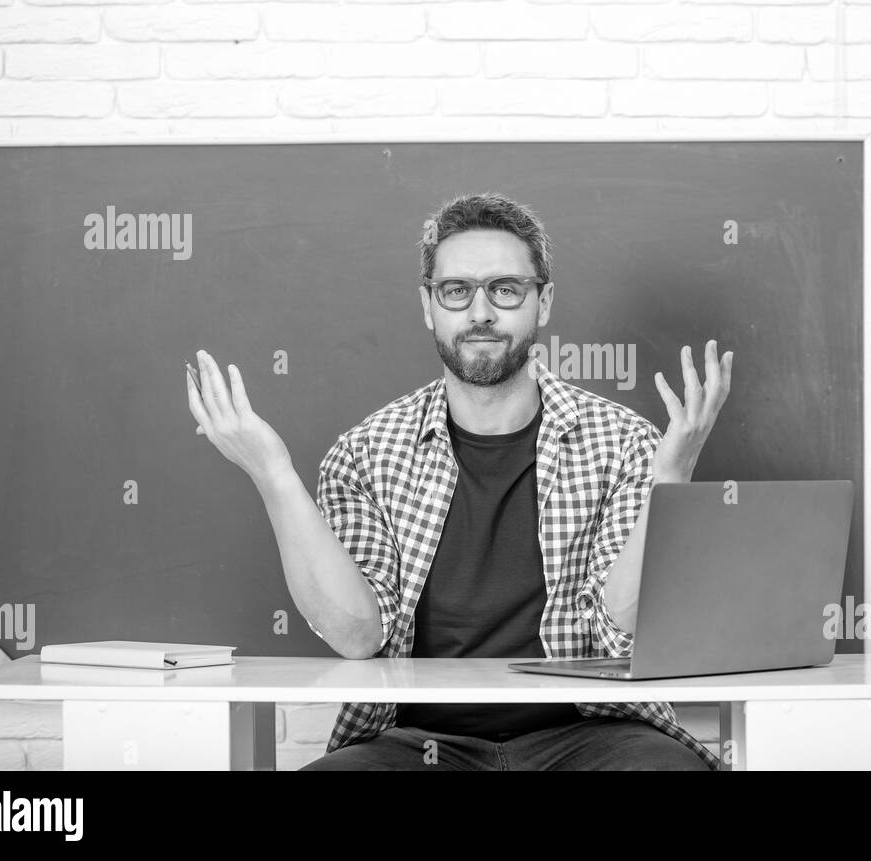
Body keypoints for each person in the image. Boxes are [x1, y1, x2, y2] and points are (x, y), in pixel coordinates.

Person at [185, 192, 732, 770]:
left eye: (506, 289)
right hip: (416, 743)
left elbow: (622, 631)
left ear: (543, 303)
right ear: (429, 305)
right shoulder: (365, 454)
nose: (480, 313)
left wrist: (670, 479)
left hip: (591, 735)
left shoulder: (625, 444)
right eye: (456, 291)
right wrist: (273, 475)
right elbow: (358, 636)